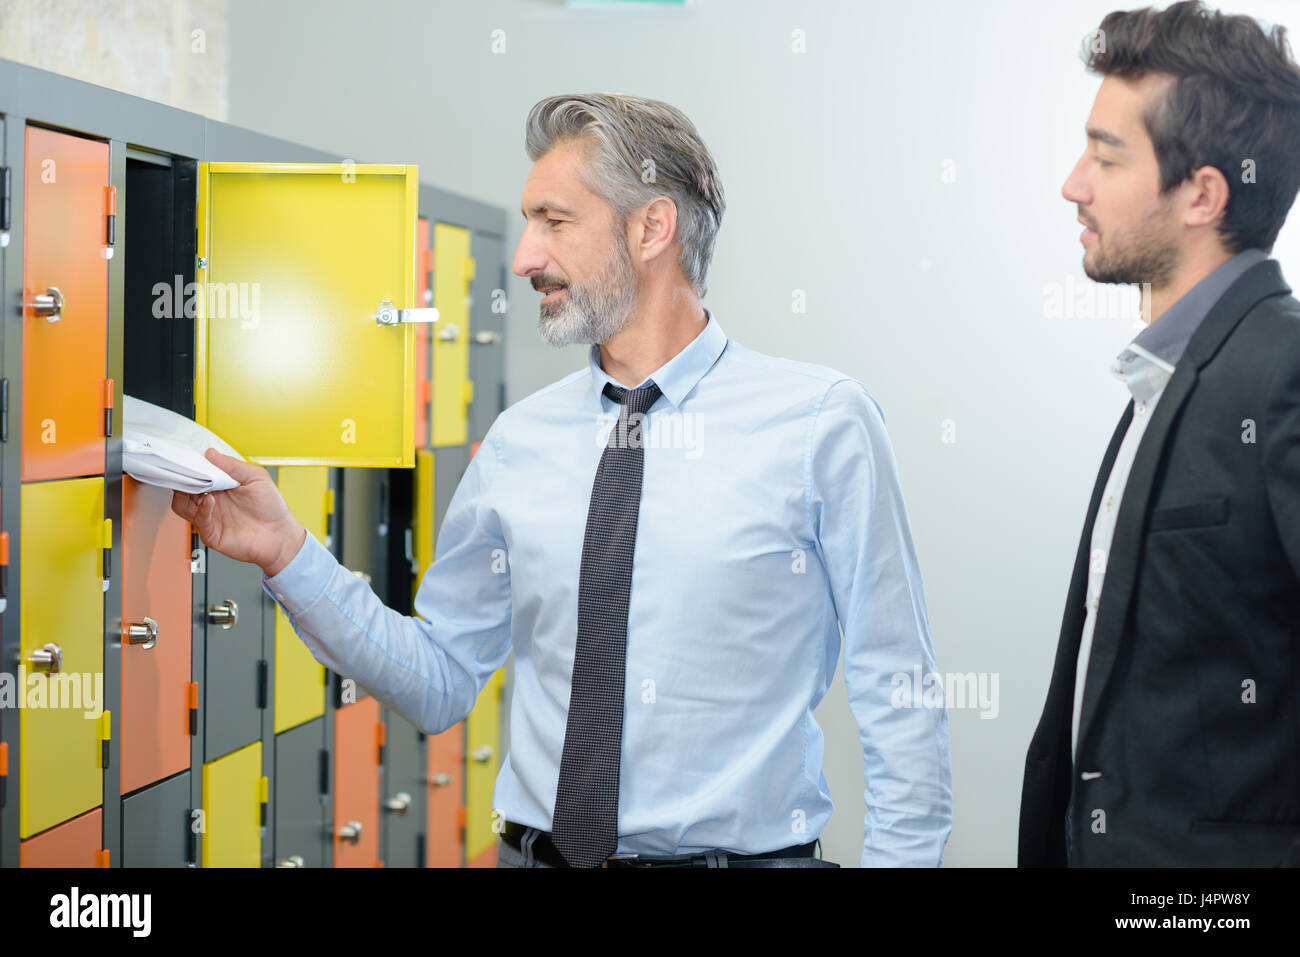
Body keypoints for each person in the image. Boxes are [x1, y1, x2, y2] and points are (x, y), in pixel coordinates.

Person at [175, 93, 952, 868]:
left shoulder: (820, 423)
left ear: (651, 227)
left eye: (554, 220)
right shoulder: (520, 441)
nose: (524, 257)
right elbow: (441, 677)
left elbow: (899, 696)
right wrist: (287, 552)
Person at [1020, 1, 1300, 866]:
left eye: (1106, 155)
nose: (1074, 182)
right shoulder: (1163, 382)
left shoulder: (1282, 372)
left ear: (1203, 194)